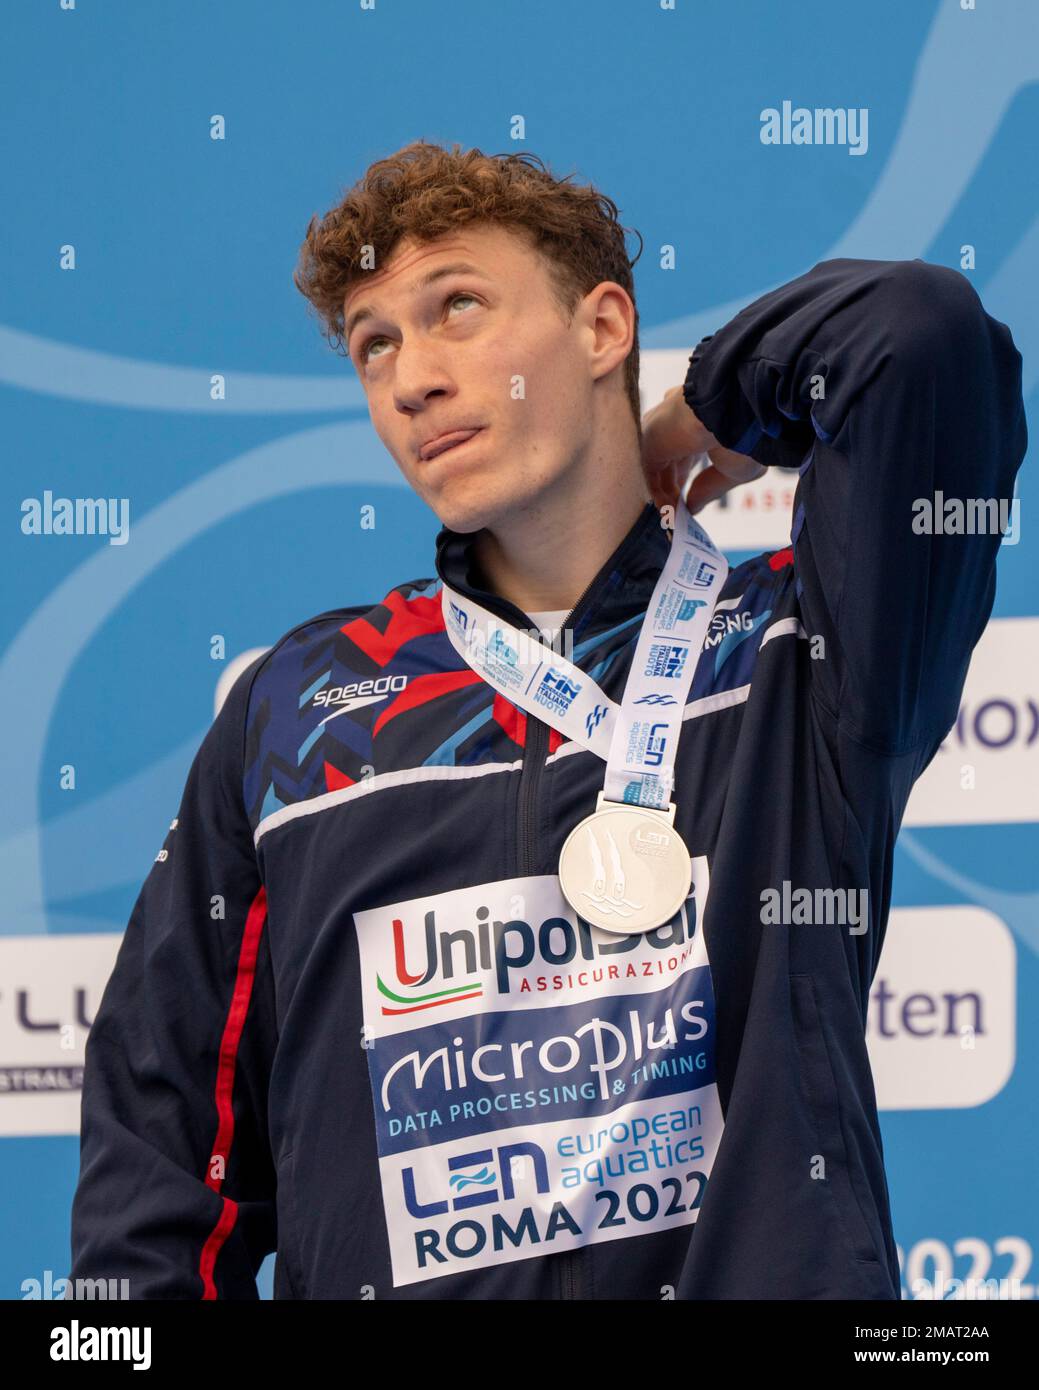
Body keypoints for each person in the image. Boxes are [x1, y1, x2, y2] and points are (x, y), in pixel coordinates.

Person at [68, 140, 1026, 1300]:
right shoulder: (301, 709)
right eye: (376, 345)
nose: (411, 377)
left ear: (601, 327)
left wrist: (703, 414)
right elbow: (160, 1147)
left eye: (456, 307)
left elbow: (915, 334)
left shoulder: (800, 646)